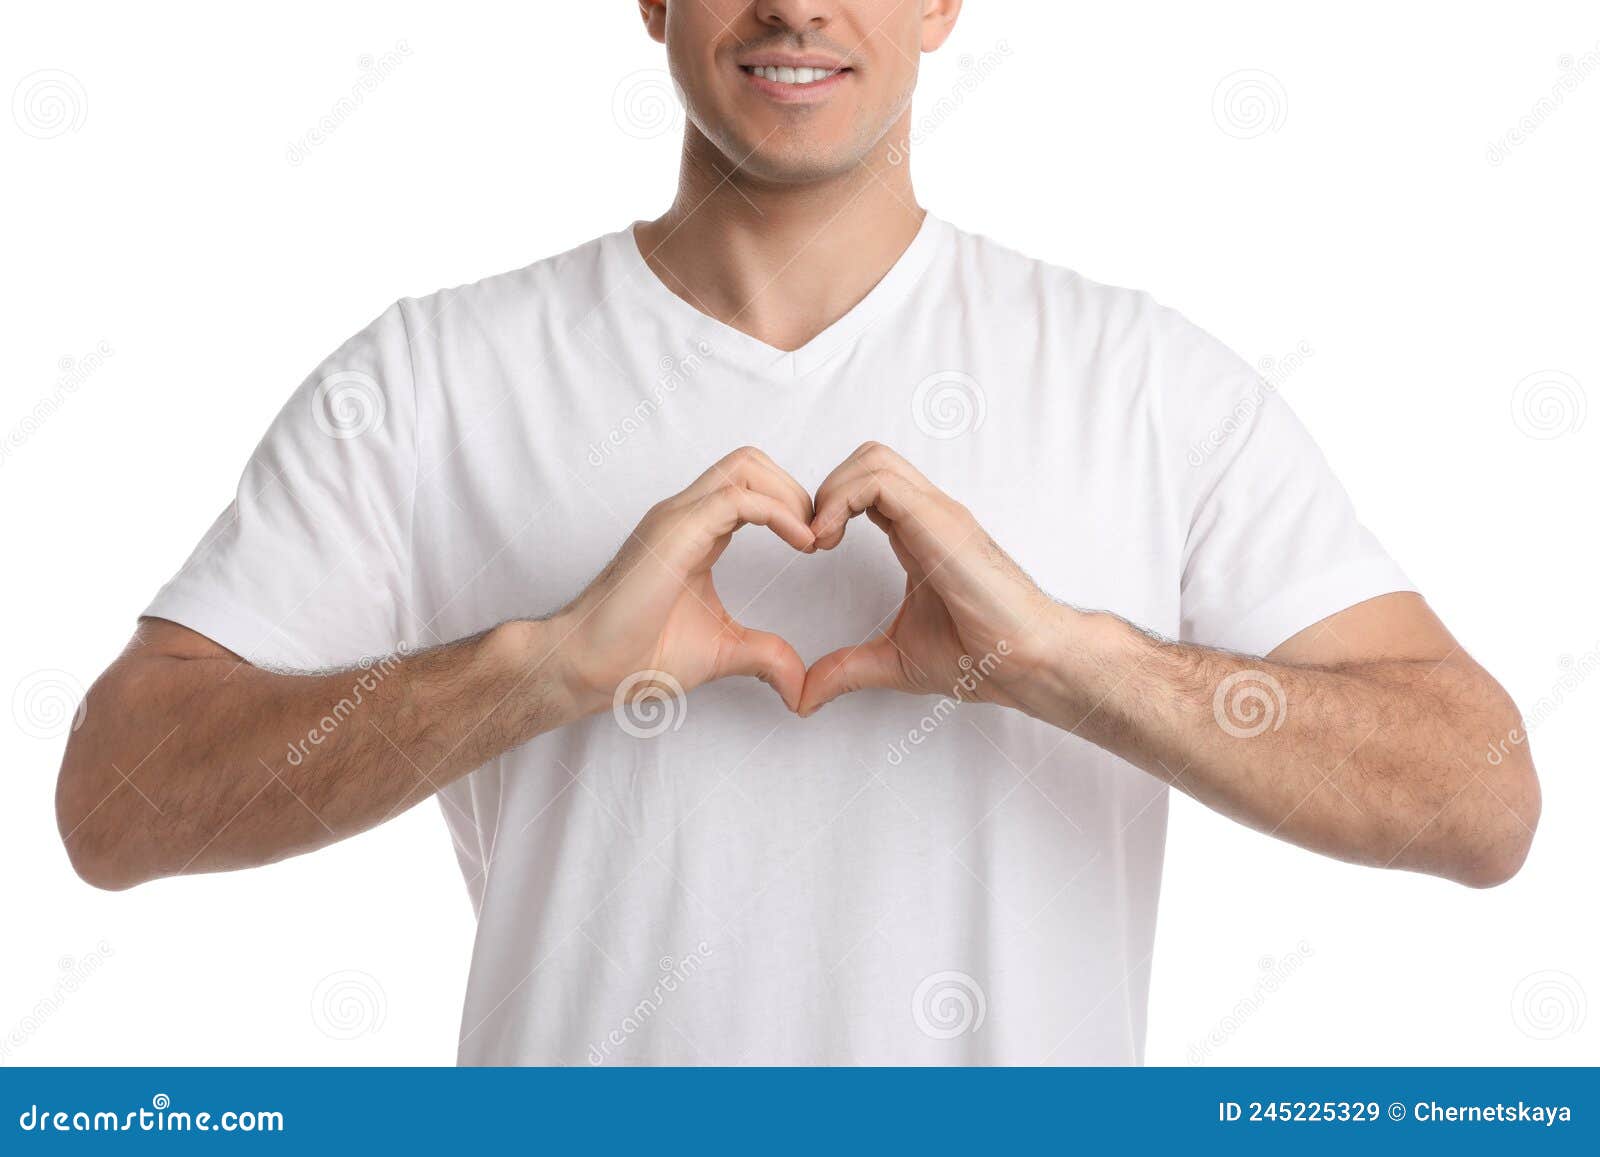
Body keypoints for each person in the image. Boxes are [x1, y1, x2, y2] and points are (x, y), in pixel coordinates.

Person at [57, 0, 1538, 1065]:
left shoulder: (1146, 380)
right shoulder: (434, 378)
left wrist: (1069, 662)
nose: (794, 9)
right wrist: (541, 668)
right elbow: (116, 802)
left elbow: (1481, 794)